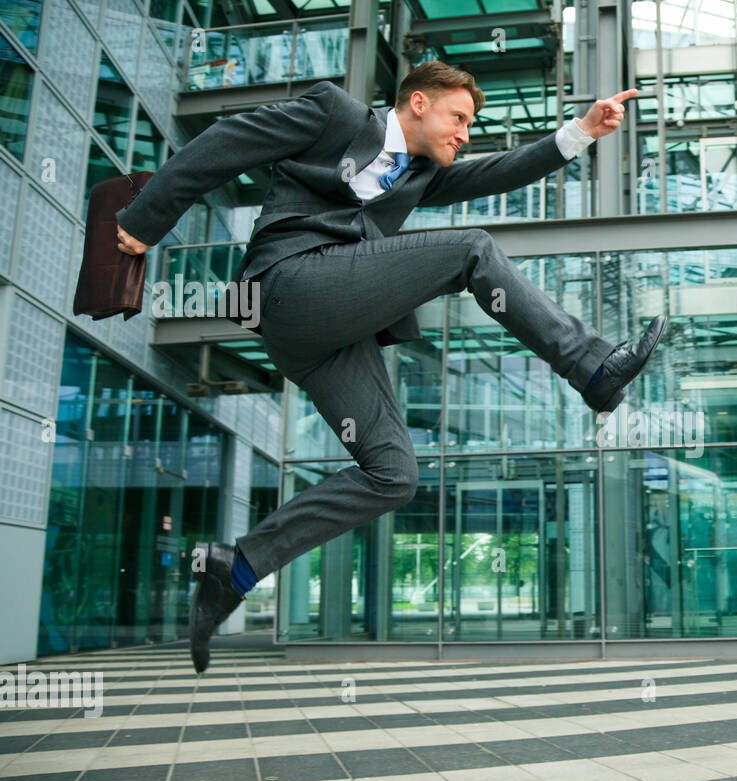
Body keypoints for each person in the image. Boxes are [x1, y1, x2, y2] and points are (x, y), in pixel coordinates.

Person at [115, 61, 666, 673]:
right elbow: (224, 144)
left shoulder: (420, 175)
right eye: (459, 118)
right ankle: (591, 368)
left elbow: (498, 173)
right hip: (286, 286)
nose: (465, 133)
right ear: (420, 103)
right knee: (471, 248)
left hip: (327, 335)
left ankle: (235, 567)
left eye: (471, 124)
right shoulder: (334, 115)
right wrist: (145, 222)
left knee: (392, 474)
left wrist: (583, 129)